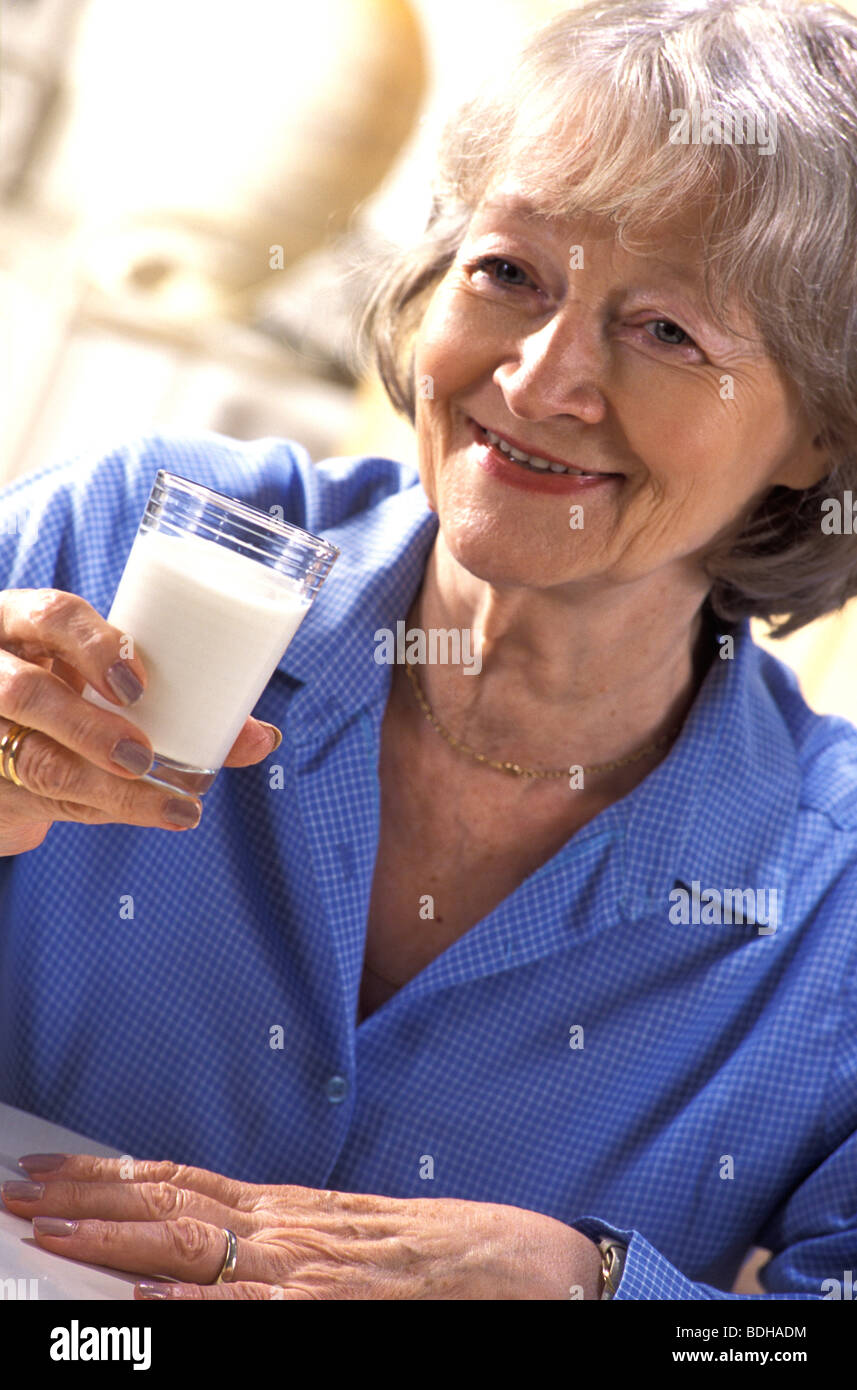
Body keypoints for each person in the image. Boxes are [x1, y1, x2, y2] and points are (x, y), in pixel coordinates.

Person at [1, 0, 856, 1301]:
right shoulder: (120, 543)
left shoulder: (833, 901)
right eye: (509, 273)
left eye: (667, 330)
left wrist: (596, 1286)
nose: (536, 378)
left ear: (816, 436)